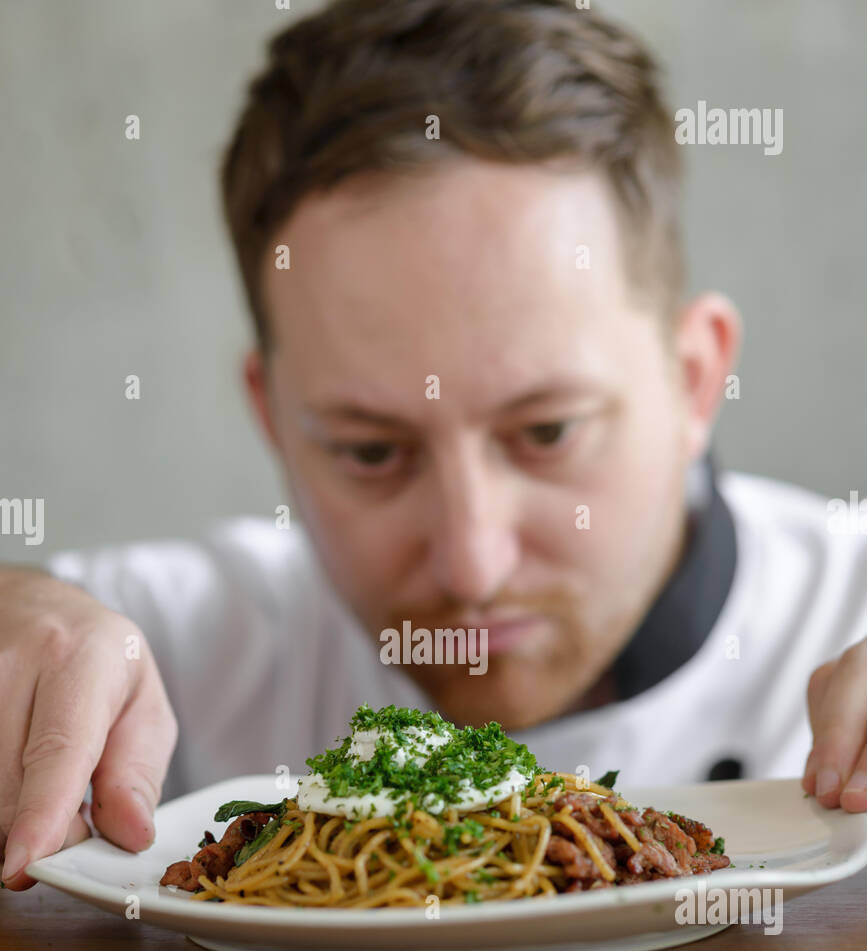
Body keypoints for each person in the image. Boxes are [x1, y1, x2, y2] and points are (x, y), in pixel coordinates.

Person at [1, 0, 865, 892]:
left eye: (547, 433)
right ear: (273, 421)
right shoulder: (183, 653)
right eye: (370, 452)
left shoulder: (849, 613)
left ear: (692, 379)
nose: (470, 564)